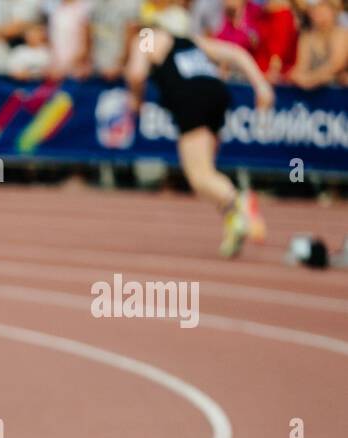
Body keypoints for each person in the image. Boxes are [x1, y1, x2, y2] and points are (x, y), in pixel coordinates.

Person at [124, 2, 275, 257]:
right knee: (208, 171)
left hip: (190, 99)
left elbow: (136, 74)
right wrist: (261, 86)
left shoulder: (148, 36)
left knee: (199, 177)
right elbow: (236, 54)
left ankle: (238, 200)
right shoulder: (192, 41)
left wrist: (135, 100)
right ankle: (233, 221)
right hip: (216, 94)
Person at [289, 0, 348, 89]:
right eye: (313, 9)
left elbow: (336, 65)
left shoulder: (342, 34)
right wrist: (299, 77)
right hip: (314, 91)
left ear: (333, 11)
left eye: (322, 8)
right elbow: (301, 67)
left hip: (338, 92)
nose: (317, 12)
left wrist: (310, 79)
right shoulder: (307, 37)